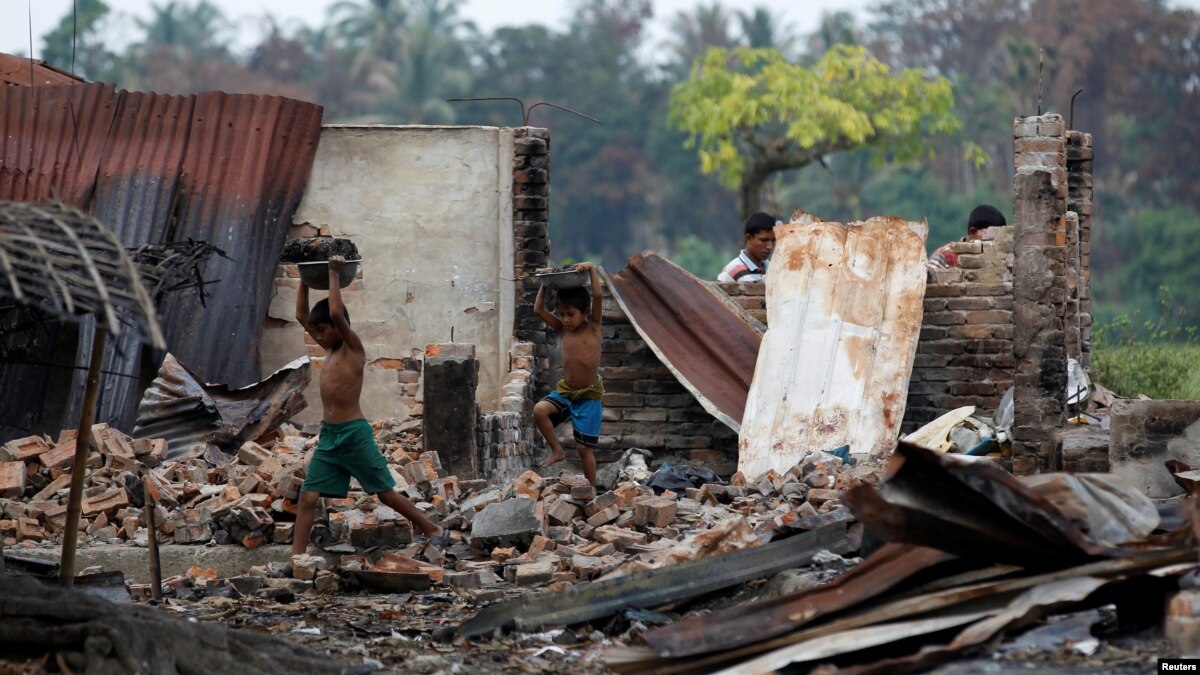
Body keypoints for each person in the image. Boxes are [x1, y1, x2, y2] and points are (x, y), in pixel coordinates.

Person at [292, 255, 446, 560]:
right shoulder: (331, 347)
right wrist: (304, 278)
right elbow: (300, 315)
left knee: (384, 493)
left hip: (354, 435)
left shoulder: (353, 349)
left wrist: (334, 274)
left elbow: (336, 313)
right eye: (317, 331)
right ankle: (296, 557)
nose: (318, 335)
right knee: (308, 496)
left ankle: (431, 529)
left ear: (340, 328)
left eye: (322, 330)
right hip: (330, 437)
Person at [534, 262, 604, 486]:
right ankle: (557, 450)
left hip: (589, 396)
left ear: (585, 312)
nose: (565, 319)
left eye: (570, 314)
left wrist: (592, 270)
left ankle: (591, 489)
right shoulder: (562, 329)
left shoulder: (593, 326)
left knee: (584, 448)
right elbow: (538, 310)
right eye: (561, 314)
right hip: (566, 391)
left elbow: (598, 296)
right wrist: (545, 284)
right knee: (539, 410)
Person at [928, 204, 1007, 269]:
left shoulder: (1000, 260)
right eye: (988, 238)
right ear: (972, 232)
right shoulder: (944, 256)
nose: (993, 245)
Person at [717, 211, 778, 282]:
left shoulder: (774, 269)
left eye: (773, 241)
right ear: (748, 238)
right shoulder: (731, 272)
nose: (770, 246)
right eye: (764, 240)